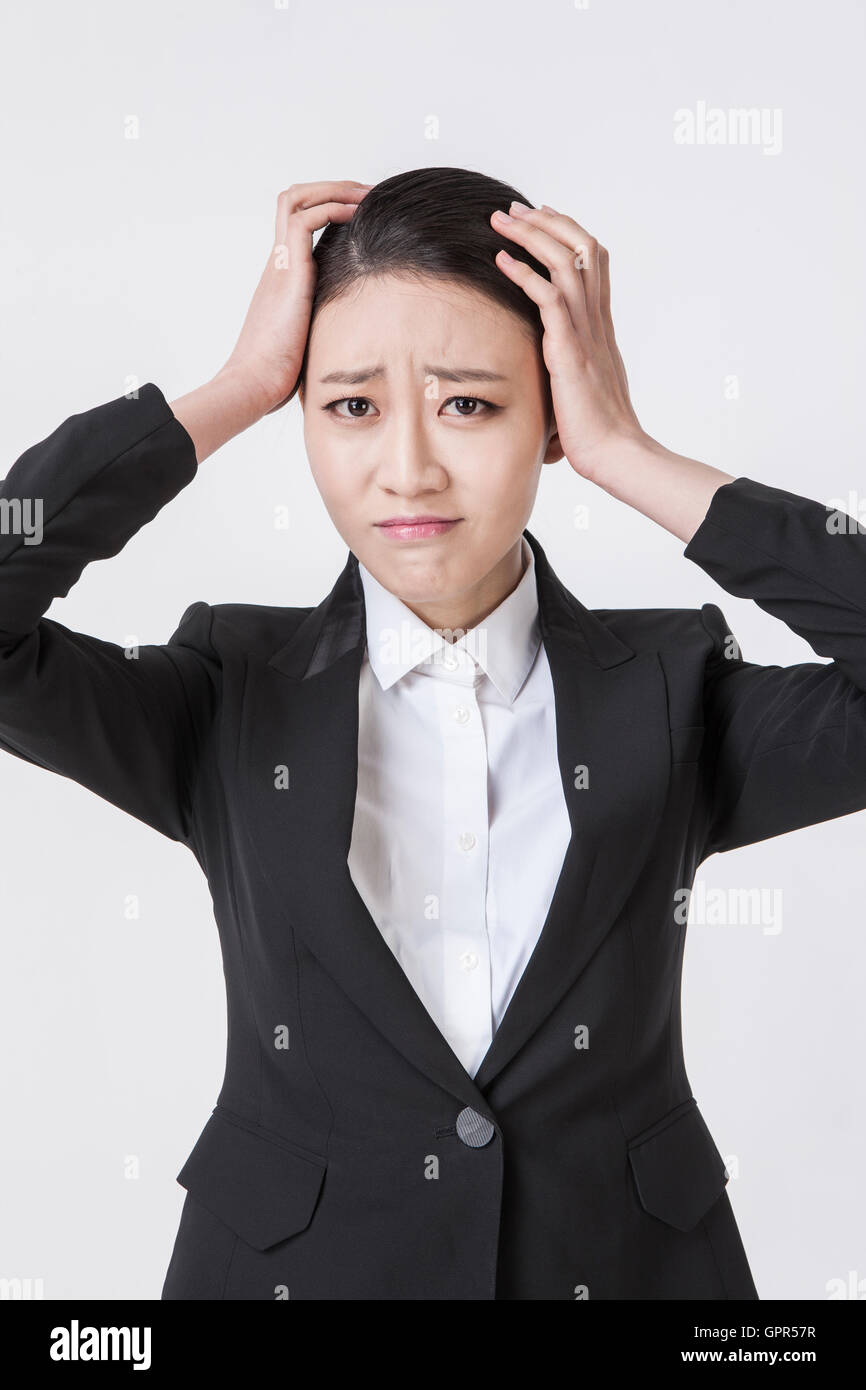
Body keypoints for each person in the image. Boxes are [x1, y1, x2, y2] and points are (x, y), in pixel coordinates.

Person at [1, 166, 863, 1300]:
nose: (405, 468)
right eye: (349, 405)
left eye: (469, 402)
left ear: (549, 412)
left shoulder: (667, 685)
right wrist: (234, 385)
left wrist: (624, 449)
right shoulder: (228, 687)